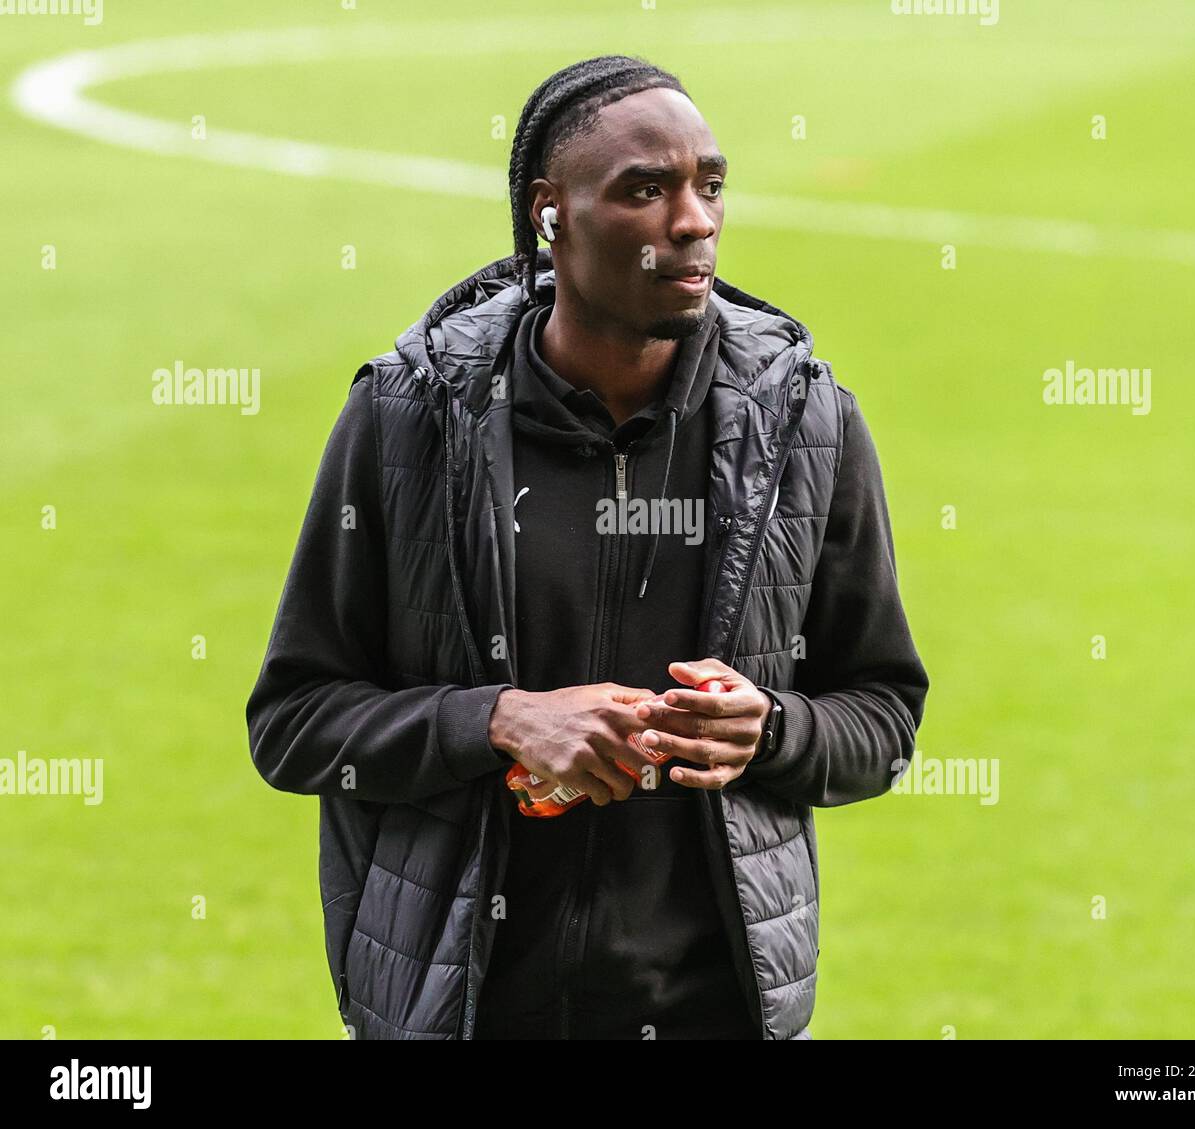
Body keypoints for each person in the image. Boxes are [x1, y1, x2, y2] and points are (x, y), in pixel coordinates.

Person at [245, 54, 928, 1040]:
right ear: (548, 214)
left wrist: (769, 731)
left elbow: (882, 715)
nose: (692, 220)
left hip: (712, 1010)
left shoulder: (803, 425)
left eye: (709, 185)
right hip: (463, 1012)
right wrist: (502, 720)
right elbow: (296, 722)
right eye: (644, 191)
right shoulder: (409, 416)